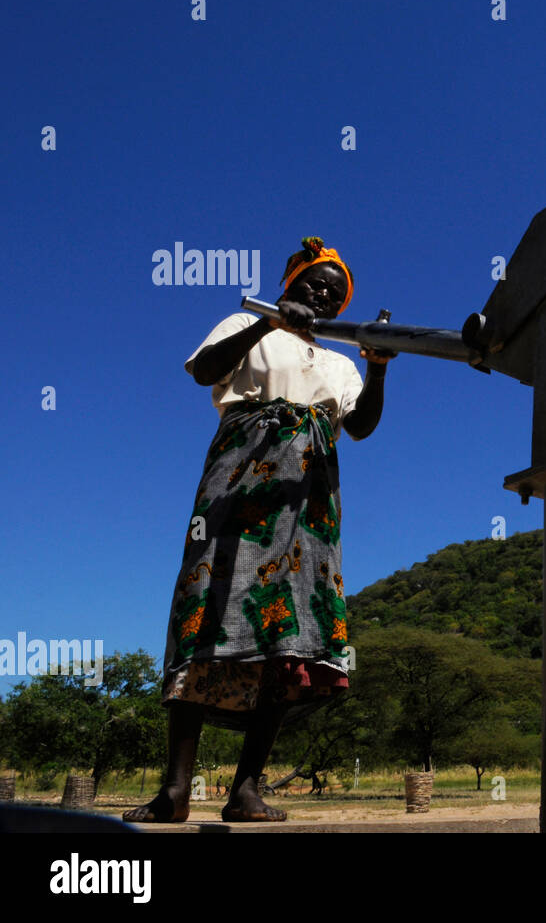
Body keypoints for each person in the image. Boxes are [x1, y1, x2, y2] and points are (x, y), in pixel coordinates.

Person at [124, 237, 395, 823]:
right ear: (289, 281)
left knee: (285, 632)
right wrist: (267, 321)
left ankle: (246, 790)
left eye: (334, 290)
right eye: (314, 281)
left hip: (308, 502)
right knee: (206, 608)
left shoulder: (339, 362)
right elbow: (204, 371)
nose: (323, 293)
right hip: (237, 483)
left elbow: (363, 426)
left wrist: (376, 367)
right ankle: (175, 789)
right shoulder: (247, 323)